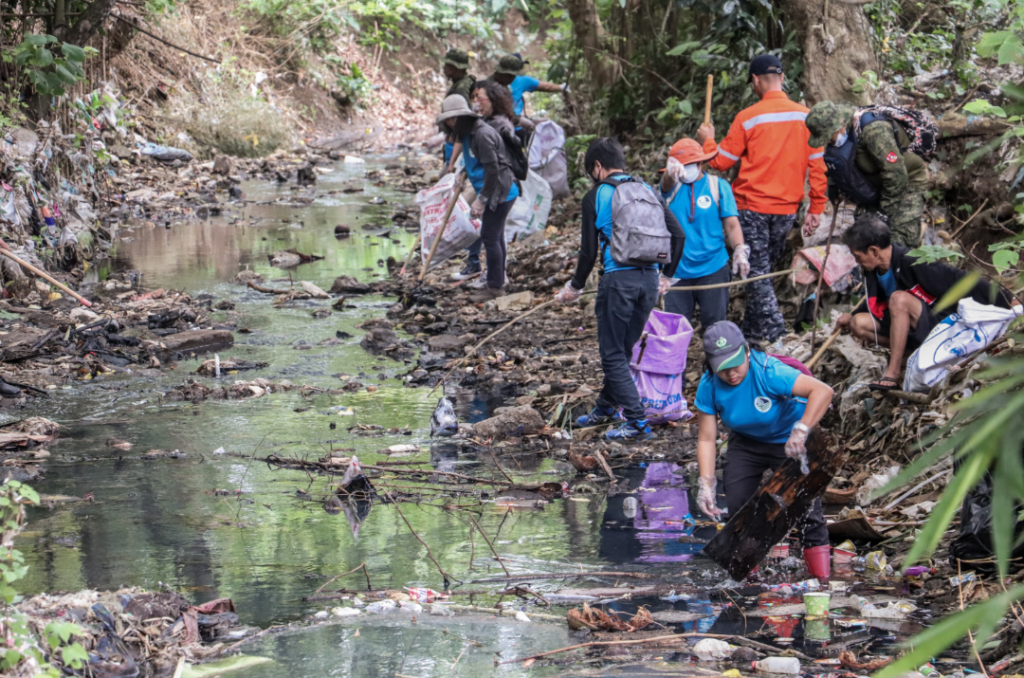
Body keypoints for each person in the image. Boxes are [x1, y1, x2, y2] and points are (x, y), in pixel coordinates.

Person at [554, 138, 685, 440]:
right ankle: (606, 408)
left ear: (597, 167)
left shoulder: (597, 195)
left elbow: (588, 252)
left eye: (591, 171)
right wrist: (667, 276)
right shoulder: (649, 191)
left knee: (612, 354)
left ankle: (637, 422)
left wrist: (574, 287)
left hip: (618, 282)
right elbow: (678, 236)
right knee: (623, 350)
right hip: (650, 282)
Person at [695, 55, 827, 343]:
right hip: (786, 211)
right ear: (782, 78)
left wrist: (708, 138)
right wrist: (816, 207)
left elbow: (719, 162)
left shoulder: (748, 117)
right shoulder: (807, 117)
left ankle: (776, 335)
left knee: (757, 273)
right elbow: (818, 166)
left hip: (751, 207)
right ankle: (754, 332)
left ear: (755, 80)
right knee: (761, 270)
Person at [694, 321, 835, 579]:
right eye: (722, 368)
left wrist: (802, 429)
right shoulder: (709, 384)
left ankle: (822, 581)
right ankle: (749, 580)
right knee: (738, 507)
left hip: (790, 440)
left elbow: (823, 391)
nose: (731, 373)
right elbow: (706, 438)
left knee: (807, 510)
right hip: (747, 443)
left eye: (736, 363)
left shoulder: (769, 372)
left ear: (747, 351)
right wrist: (706, 482)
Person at [836, 215, 1017, 390]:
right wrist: (850, 317)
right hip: (908, 327)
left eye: (858, 256)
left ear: (874, 251)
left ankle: (893, 371)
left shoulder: (912, 261)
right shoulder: (873, 270)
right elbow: (873, 301)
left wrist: (1009, 300)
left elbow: (962, 280)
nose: (857, 260)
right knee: (858, 323)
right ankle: (907, 353)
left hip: (936, 323)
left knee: (898, 299)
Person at [805, 100, 928, 248]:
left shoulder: (874, 131)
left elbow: (896, 174)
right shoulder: (839, 136)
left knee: (896, 242)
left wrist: (884, 214)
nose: (829, 142)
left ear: (840, 127)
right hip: (875, 186)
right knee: (863, 240)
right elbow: (837, 161)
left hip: (907, 182)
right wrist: (835, 188)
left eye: (828, 138)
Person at [435, 93, 518, 301]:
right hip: (491, 190)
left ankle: (494, 287)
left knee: (490, 236)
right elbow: (471, 162)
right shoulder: (466, 134)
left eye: (450, 121)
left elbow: (493, 170)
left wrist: (482, 200)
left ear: (456, 119)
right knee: (495, 235)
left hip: (501, 191)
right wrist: (460, 177)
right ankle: (498, 280)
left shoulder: (482, 135)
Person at [659, 137, 748, 328]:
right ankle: (675, 358)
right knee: (674, 327)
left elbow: (731, 224)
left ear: (700, 163)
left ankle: (715, 358)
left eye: (690, 164)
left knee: (716, 325)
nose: (686, 169)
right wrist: (670, 173)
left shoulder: (718, 186)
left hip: (713, 267)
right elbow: (664, 186)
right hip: (676, 271)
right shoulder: (672, 186)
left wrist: (740, 249)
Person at [491, 54, 568, 139]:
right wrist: (562, 87)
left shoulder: (495, 80)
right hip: (512, 126)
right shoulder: (521, 79)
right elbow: (547, 86)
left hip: (502, 123)